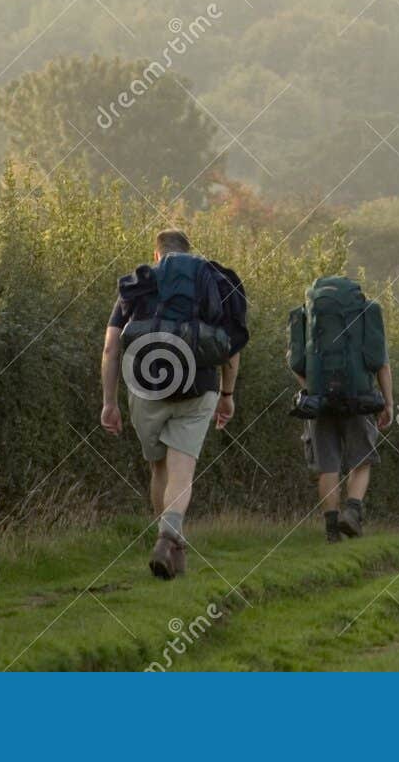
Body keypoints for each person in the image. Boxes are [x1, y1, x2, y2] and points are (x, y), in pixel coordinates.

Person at [100, 229, 247, 580]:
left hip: (145, 385)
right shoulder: (211, 280)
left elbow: (110, 348)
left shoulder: (142, 282)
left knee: (159, 471)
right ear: (189, 252)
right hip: (200, 386)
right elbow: (231, 350)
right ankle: (169, 540)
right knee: (183, 471)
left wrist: (109, 402)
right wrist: (228, 395)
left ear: (156, 255)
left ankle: (165, 540)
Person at [288, 276, 393, 543]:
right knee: (362, 460)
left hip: (320, 400)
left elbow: (296, 362)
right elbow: (379, 362)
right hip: (358, 397)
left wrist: (312, 387)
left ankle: (332, 532)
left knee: (328, 467)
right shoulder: (367, 313)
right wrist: (388, 402)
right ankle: (353, 510)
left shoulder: (306, 314)